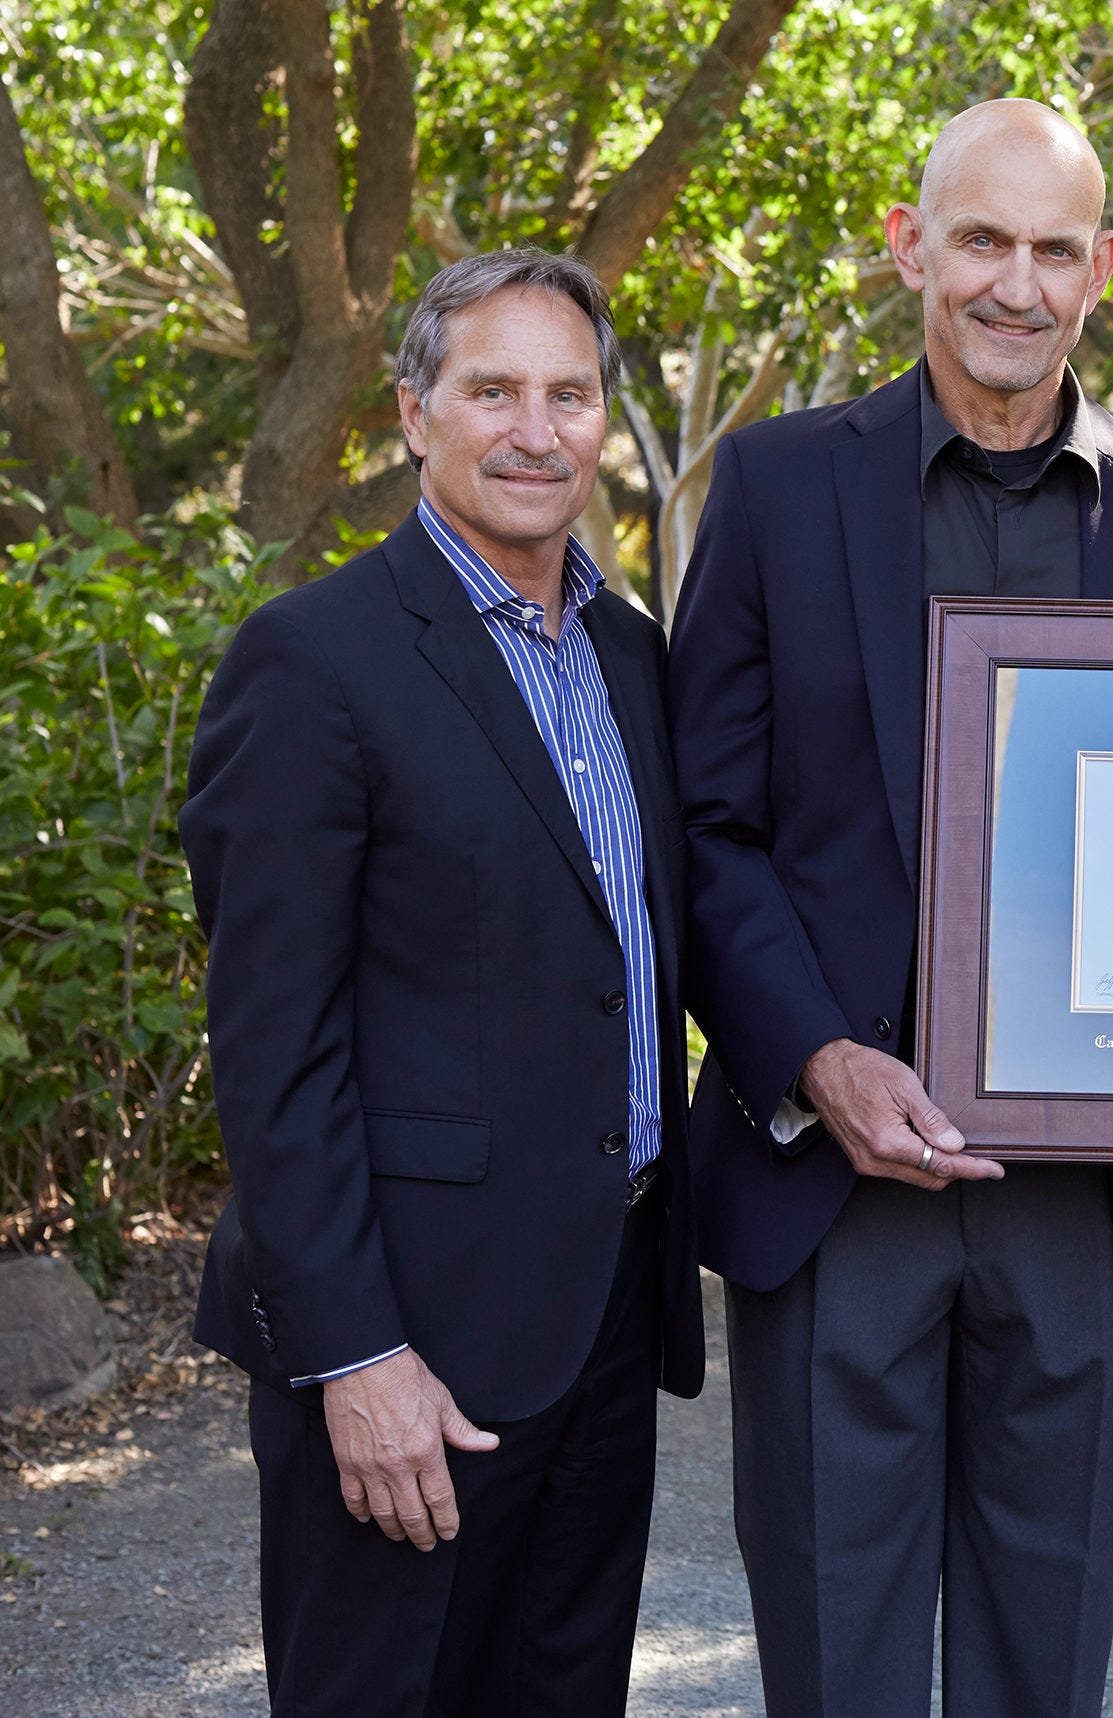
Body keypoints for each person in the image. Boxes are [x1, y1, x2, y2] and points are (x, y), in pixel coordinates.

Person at [667, 100, 1113, 1718]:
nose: (1017, 282)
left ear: (1104, 270)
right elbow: (706, 820)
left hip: (1096, 1191)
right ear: (908, 242)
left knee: (1040, 1667)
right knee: (836, 1660)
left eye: (1054, 249)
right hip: (835, 1180)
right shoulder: (782, 483)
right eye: (982, 239)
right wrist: (810, 1059)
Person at [181, 247, 704, 1716]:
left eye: (568, 394)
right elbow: (273, 1050)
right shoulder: (311, 662)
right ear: (416, 412)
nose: (534, 430)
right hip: (412, 1336)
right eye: (493, 391)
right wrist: (356, 1353)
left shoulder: (631, 655)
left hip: (600, 1312)